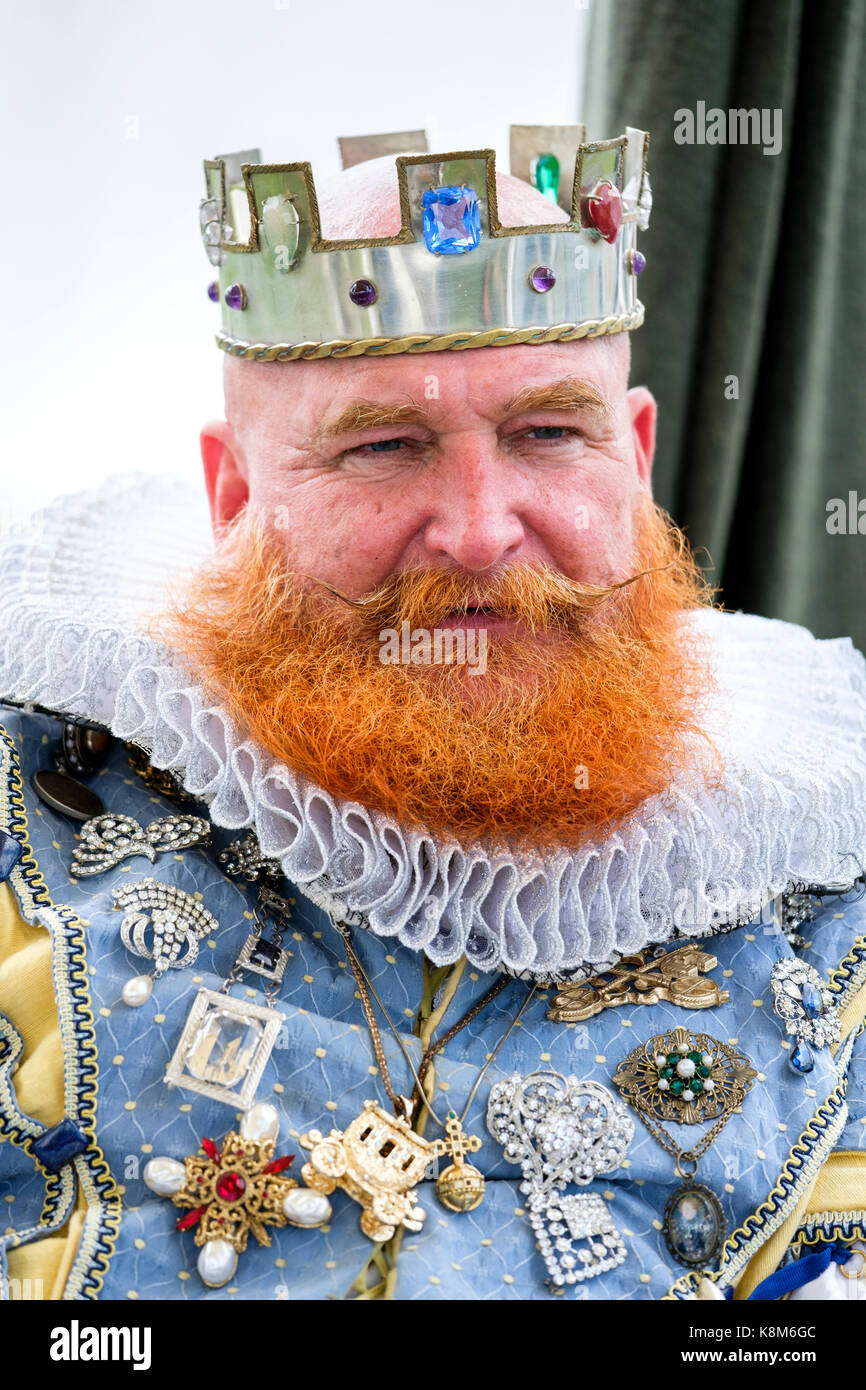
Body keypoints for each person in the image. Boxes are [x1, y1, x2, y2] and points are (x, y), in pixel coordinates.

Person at [0, 127, 864, 1303]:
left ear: (636, 457)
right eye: (385, 446)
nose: (476, 531)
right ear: (235, 497)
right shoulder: (27, 818)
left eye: (548, 433)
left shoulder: (822, 903)